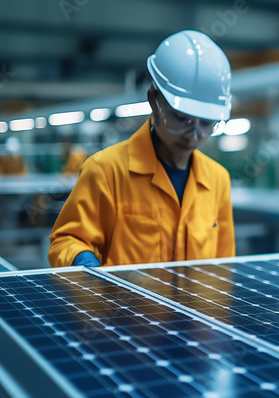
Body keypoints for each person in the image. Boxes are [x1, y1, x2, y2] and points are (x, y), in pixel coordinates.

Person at [49, 30, 234, 267]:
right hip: (122, 305)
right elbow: (66, 240)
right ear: (154, 101)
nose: (194, 134)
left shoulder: (218, 180)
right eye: (180, 118)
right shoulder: (106, 171)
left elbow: (225, 264)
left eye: (207, 123)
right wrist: (81, 261)